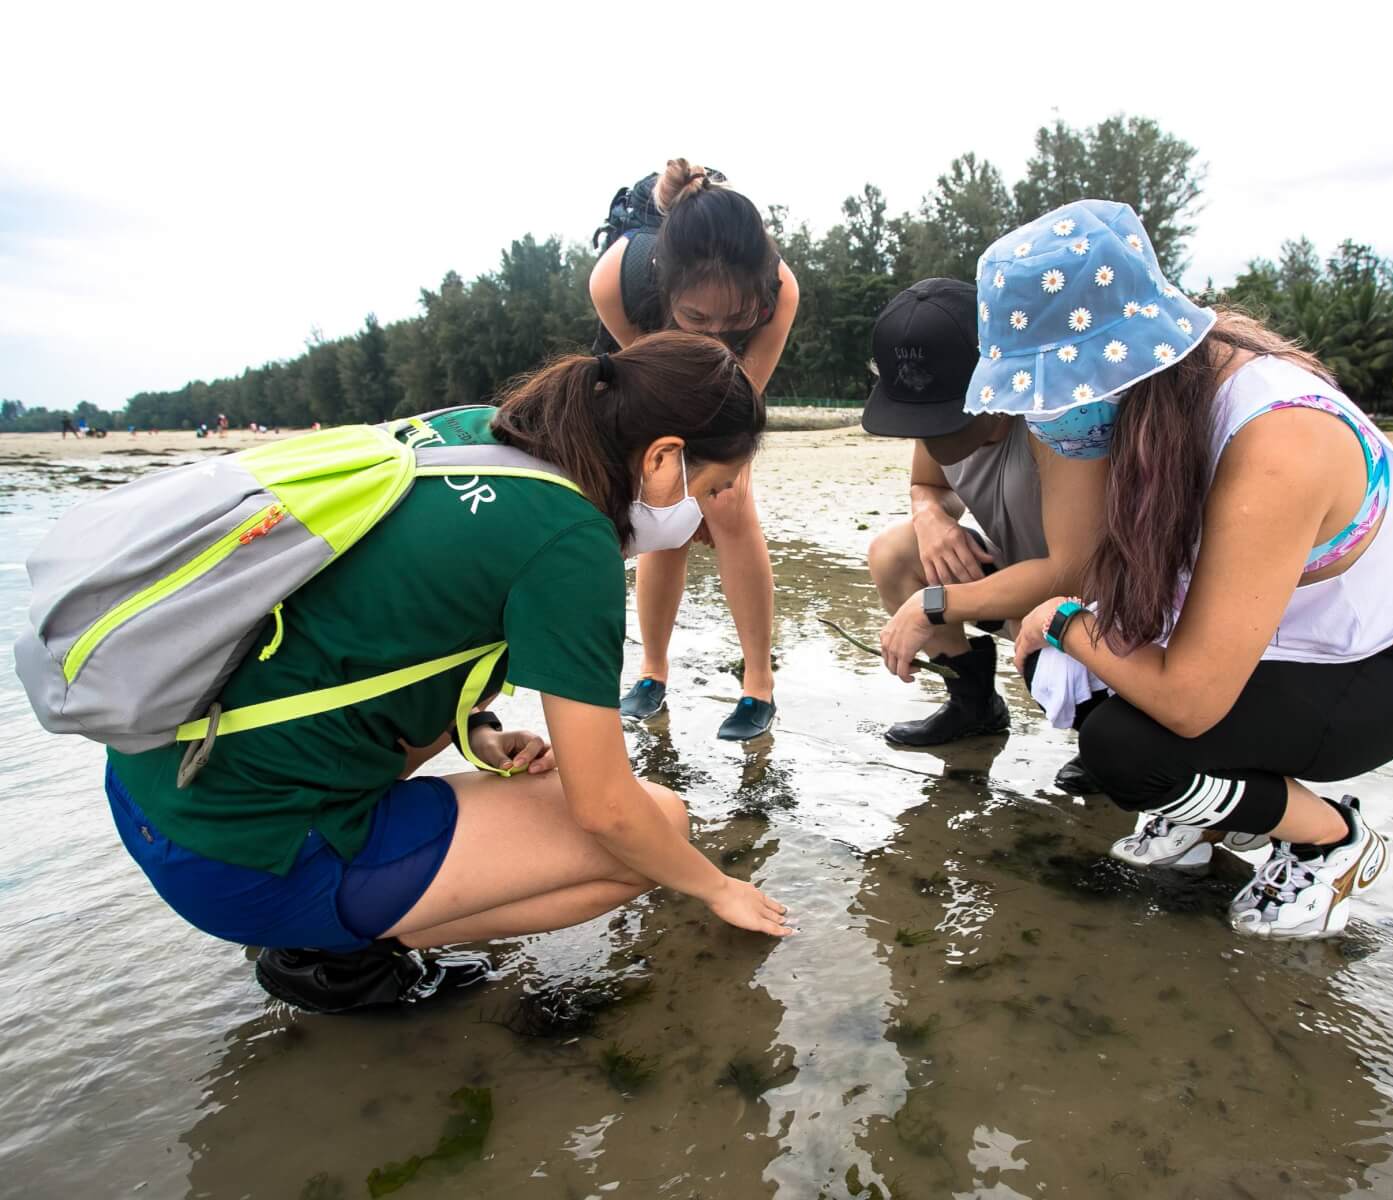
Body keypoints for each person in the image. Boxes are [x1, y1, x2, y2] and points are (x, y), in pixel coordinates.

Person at [102, 332, 790, 1013]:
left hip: (159, 780)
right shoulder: (571, 541)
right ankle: (329, 956)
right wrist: (717, 888)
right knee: (660, 825)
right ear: (665, 456)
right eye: (715, 488)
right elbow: (606, 809)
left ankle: (328, 907)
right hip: (228, 858)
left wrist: (479, 728)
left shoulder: (479, 433)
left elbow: (390, 623)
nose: (706, 523)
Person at [974, 200, 1393, 939]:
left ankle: (1329, 839)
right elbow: (1086, 558)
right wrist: (1073, 636)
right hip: (1273, 635)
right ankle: (1208, 819)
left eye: (1055, 389)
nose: (1044, 414)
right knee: (1080, 682)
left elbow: (1193, 699)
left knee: (1129, 748)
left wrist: (1064, 621)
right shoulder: (1156, 400)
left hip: (1383, 662)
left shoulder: (1278, 442)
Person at [861, 280, 1102, 794]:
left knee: (1064, 663)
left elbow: (1071, 569)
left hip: (1094, 601)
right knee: (894, 553)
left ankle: (1105, 736)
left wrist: (933, 604)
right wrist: (930, 518)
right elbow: (926, 485)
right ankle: (973, 707)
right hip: (1016, 584)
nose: (924, 435)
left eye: (937, 416)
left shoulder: (1056, 421)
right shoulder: (935, 425)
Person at [590, 159, 800, 740]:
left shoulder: (780, 294)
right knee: (662, 513)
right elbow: (659, 380)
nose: (714, 332)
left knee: (730, 505)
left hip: (731, 388)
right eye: (696, 316)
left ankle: (759, 682)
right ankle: (652, 671)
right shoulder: (617, 281)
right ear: (666, 289)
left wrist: (715, 479)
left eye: (732, 318)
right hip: (651, 374)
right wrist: (681, 488)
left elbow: (739, 394)